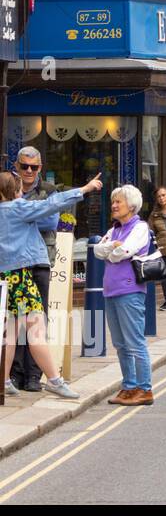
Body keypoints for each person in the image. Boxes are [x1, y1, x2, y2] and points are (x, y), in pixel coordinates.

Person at [1, 171, 100, 400]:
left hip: (4, 278)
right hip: (21, 278)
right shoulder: (18, 208)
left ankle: (4, 380)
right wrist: (84, 190)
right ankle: (55, 380)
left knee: (11, 333)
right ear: (14, 191)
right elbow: (52, 203)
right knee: (36, 331)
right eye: (19, 190)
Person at [94, 183, 158, 405]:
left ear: (131, 205)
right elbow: (96, 250)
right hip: (111, 291)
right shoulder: (114, 229)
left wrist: (111, 251)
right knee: (120, 344)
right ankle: (129, 386)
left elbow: (124, 252)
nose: (113, 205)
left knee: (135, 342)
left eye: (118, 201)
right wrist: (113, 247)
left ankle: (145, 389)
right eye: (113, 201)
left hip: (130, 291)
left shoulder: (139, 227)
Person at [9, 146, 58, 392]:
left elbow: (51, 221)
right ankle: (16, 374)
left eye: (34, 167)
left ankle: (33, 376)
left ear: (40, 167)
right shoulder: (7, 187)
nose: (29, 171)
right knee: (14, 321)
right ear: (16, 166)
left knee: (37, 321)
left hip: (39, 262)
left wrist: (19, 216)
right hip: (14, 264)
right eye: (24, 166)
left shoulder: (48, 190)